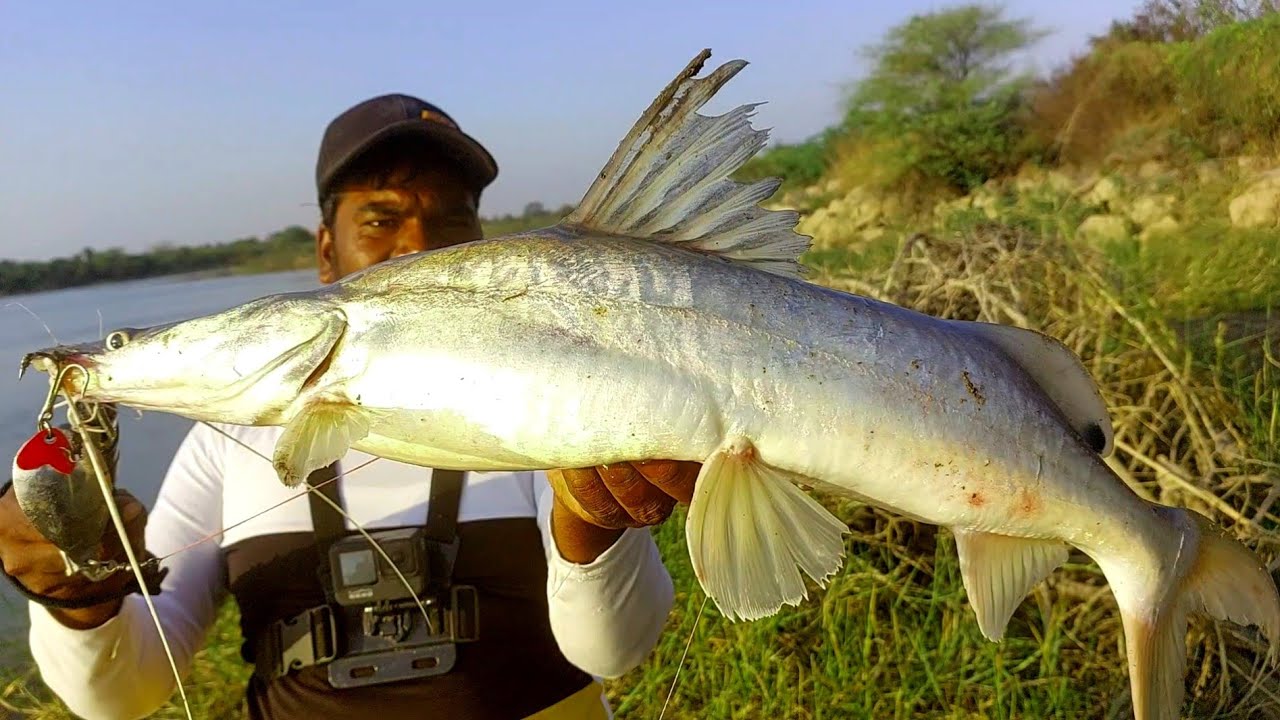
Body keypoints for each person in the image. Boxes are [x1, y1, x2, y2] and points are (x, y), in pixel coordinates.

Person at [0, 93, 701, 720]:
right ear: (327, 253)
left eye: (454, 218)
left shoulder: (556, 411)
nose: (420, 249)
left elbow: (614, 650)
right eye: (381, 219)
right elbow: (122, 696)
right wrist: (77, 593)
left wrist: (592, 525)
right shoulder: (221, 446)